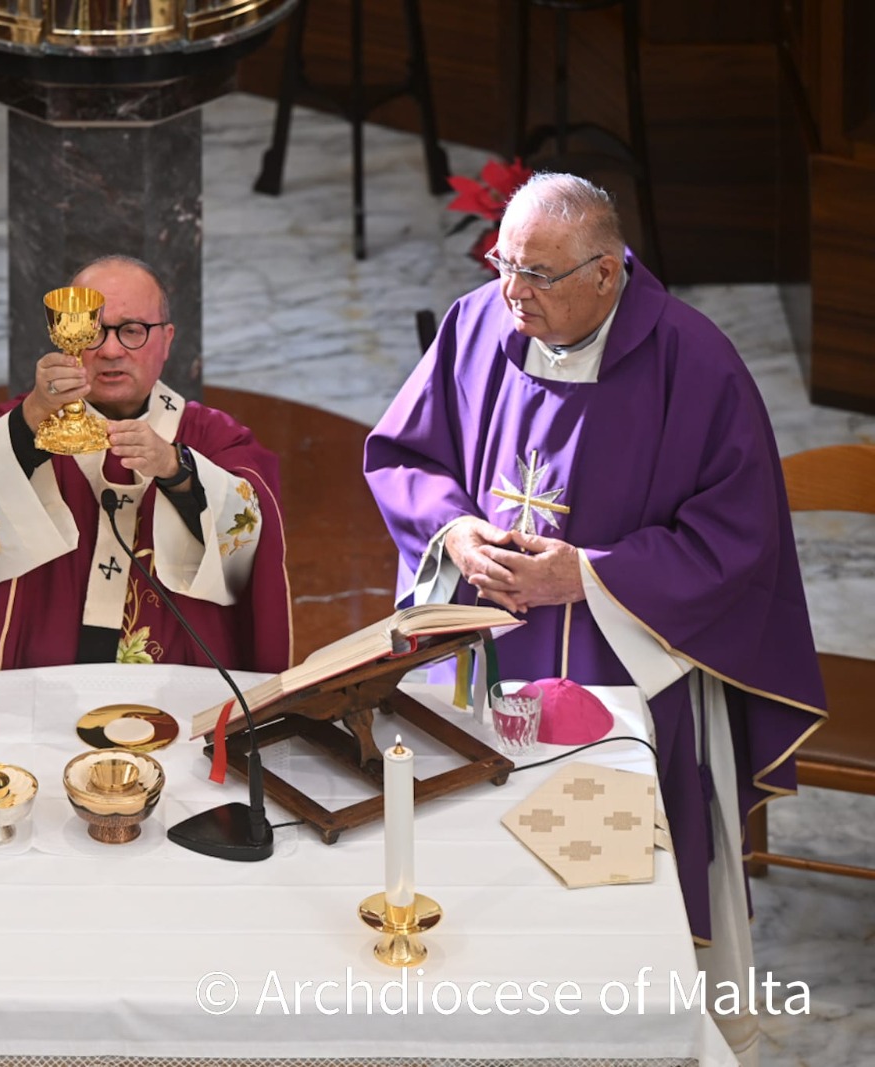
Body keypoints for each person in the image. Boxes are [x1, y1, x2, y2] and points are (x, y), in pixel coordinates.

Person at [363, 173, 824, 1065]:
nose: (512, 294)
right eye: (505, 264)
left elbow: (736, 538)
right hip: (477, 655)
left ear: (607, 274)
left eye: (537, 275)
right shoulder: (474, 326)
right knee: (473, 880)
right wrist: (454, 530)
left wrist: (591, 575)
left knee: (604, 901)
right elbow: (402, 455)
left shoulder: (698, 365)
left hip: (628, 673)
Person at [0, 255, 291, 676]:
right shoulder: (24, 422)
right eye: (92, 331)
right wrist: (34, 414)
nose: (109, 350)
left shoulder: (212, 436)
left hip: (174, 670)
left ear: (167, 339)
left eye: (132, 330)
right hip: (37, 663)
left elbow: (253, 524)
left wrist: (176, 469)